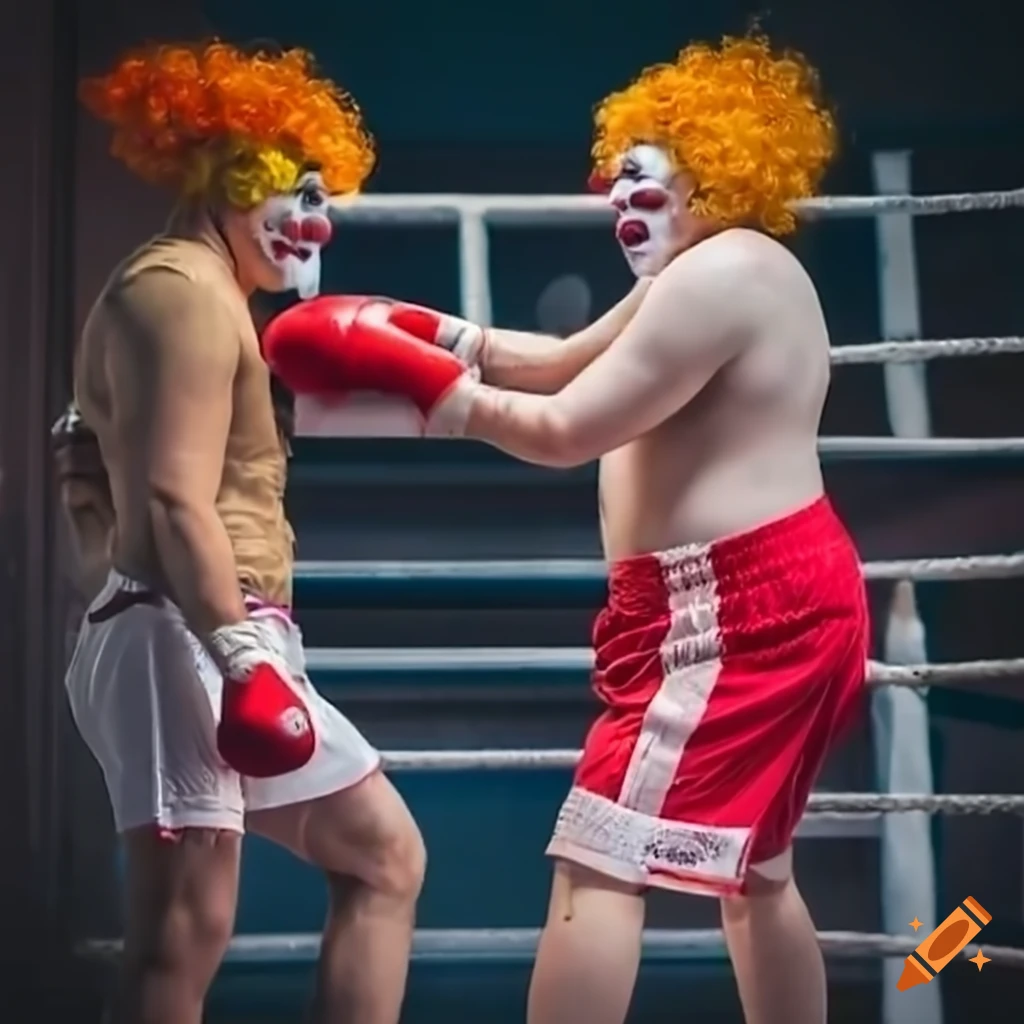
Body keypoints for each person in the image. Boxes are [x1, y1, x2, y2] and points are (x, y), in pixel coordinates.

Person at [263, 33, 868, 1024]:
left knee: (598, 860)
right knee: (755, 873)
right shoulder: (699, 273)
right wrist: (419, 329)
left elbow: (564, 426)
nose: (618, 201)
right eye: (613, 184)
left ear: (715, 165)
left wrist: (430, 386)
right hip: (753, 595)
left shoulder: (727, 277)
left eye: (640, 179)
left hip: (733, 609)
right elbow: (551, 363)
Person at [67, 42, 424, 1024]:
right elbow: (179, 500)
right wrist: (236, 655)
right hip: (191, 630)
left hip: (204, 626)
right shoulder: (180, 291)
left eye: (321, 196)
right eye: (289, 189)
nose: (312, 221)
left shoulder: (202, 291)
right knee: (184, 929)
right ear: (228, 177)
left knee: (383, 854)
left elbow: (95, 486)